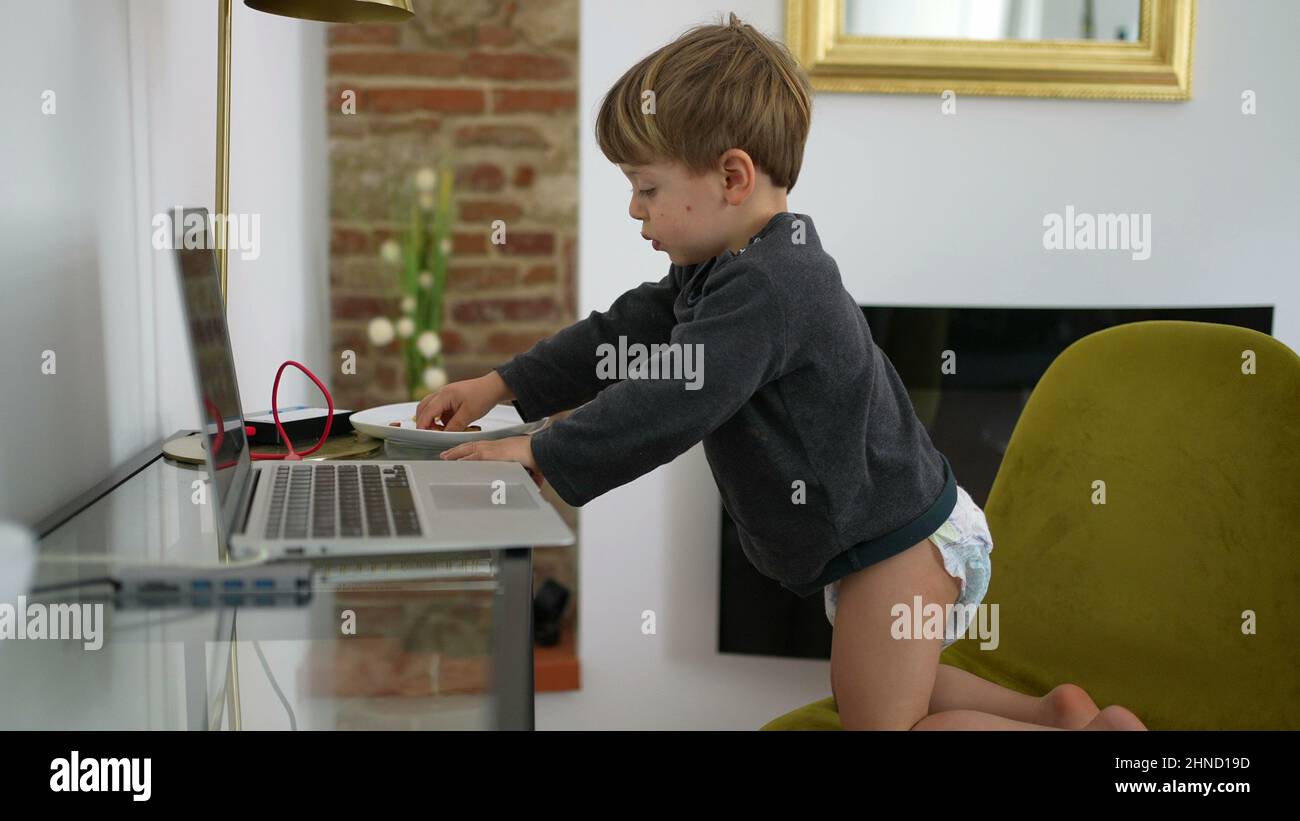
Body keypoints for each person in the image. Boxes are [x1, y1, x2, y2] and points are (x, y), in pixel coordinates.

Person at [417, 12, 1146, 731]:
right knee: (889, 686)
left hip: (899, 542)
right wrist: (500, 385)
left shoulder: (771, 286)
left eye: (647, 188)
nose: (635, 210)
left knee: (886, 725)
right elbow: (620, 334)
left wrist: (541, 451)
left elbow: (674, 398)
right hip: (893, 534)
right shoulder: (718, 271)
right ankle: (1057, 715)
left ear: (733, 175)